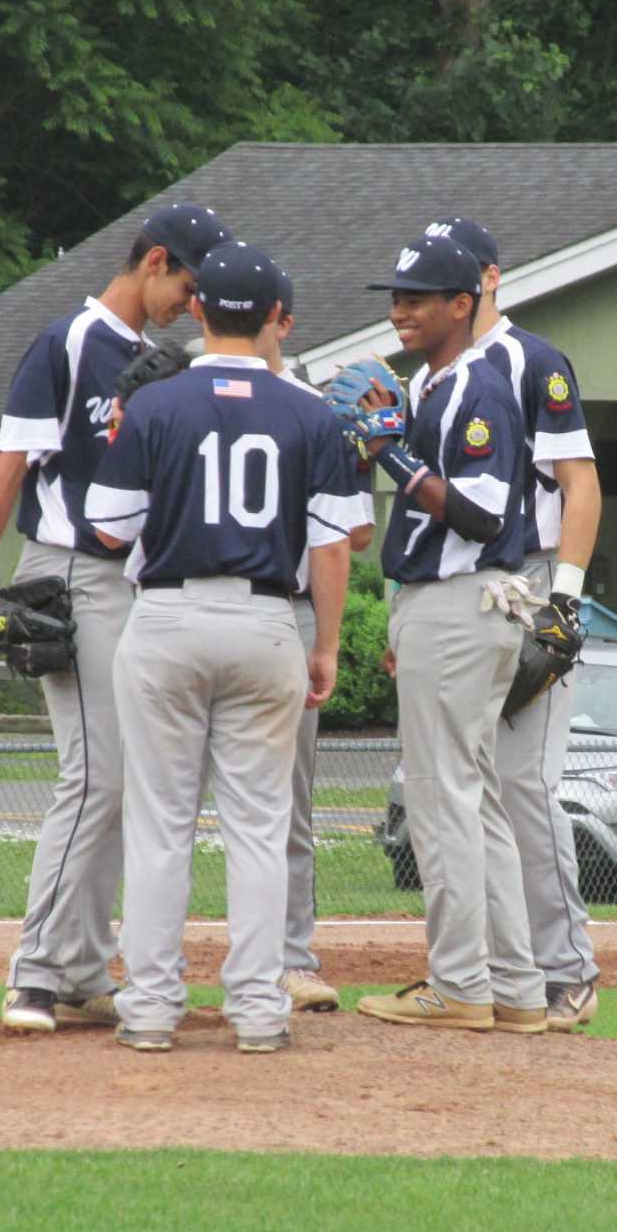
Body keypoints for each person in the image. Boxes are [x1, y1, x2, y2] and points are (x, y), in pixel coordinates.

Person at [0, 202, 233, 1033]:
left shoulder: (160, 362)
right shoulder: (70, 343)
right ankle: (36, 971)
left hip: (135, 581)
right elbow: (14, 459)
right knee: (95, 776)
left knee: (123, 785)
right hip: (71, 570)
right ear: (153, 261)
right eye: (187, 282)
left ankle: (81, 967)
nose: (194, 304)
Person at [85, 240, 358, 1052]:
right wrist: (328, 647)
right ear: (276, 316)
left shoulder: (159, 404)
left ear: (199, 309)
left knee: (161, 824)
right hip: (267, 620)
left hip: (166, 617)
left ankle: (151, 1011)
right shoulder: (311, 411)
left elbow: (107, 528)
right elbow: (335, 546)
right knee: (258, 826)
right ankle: (258, 1011)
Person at [350, 235, 546, 1034]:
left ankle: (459, 984)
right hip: (461, 606)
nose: (401, 308)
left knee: (442, 802)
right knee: (478, 802)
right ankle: (516, 988)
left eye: (419, 297)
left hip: (463, 601)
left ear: (462, 304)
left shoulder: (477, 387)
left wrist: (390, 453)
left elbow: (483, 511)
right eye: (396, 295)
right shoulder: (441, 384)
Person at [419, 215, 604, 1030]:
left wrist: (564, 598)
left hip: (528, 580)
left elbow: (581, 482)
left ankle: (567, 971)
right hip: (463, 587)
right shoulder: (435, 374)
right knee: (470, 787)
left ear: (487, 279)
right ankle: (497, 972)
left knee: (523, 782)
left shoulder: (530, 360)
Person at [257, 267, 376, 1013]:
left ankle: (292, 957)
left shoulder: (314, 412)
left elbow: (353, 536)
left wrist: (362, 453)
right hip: (192, 606)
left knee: (288, 803)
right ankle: (145, 960)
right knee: (162, 799)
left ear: (284, 322)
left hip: (285, 607)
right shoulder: (179, 394)